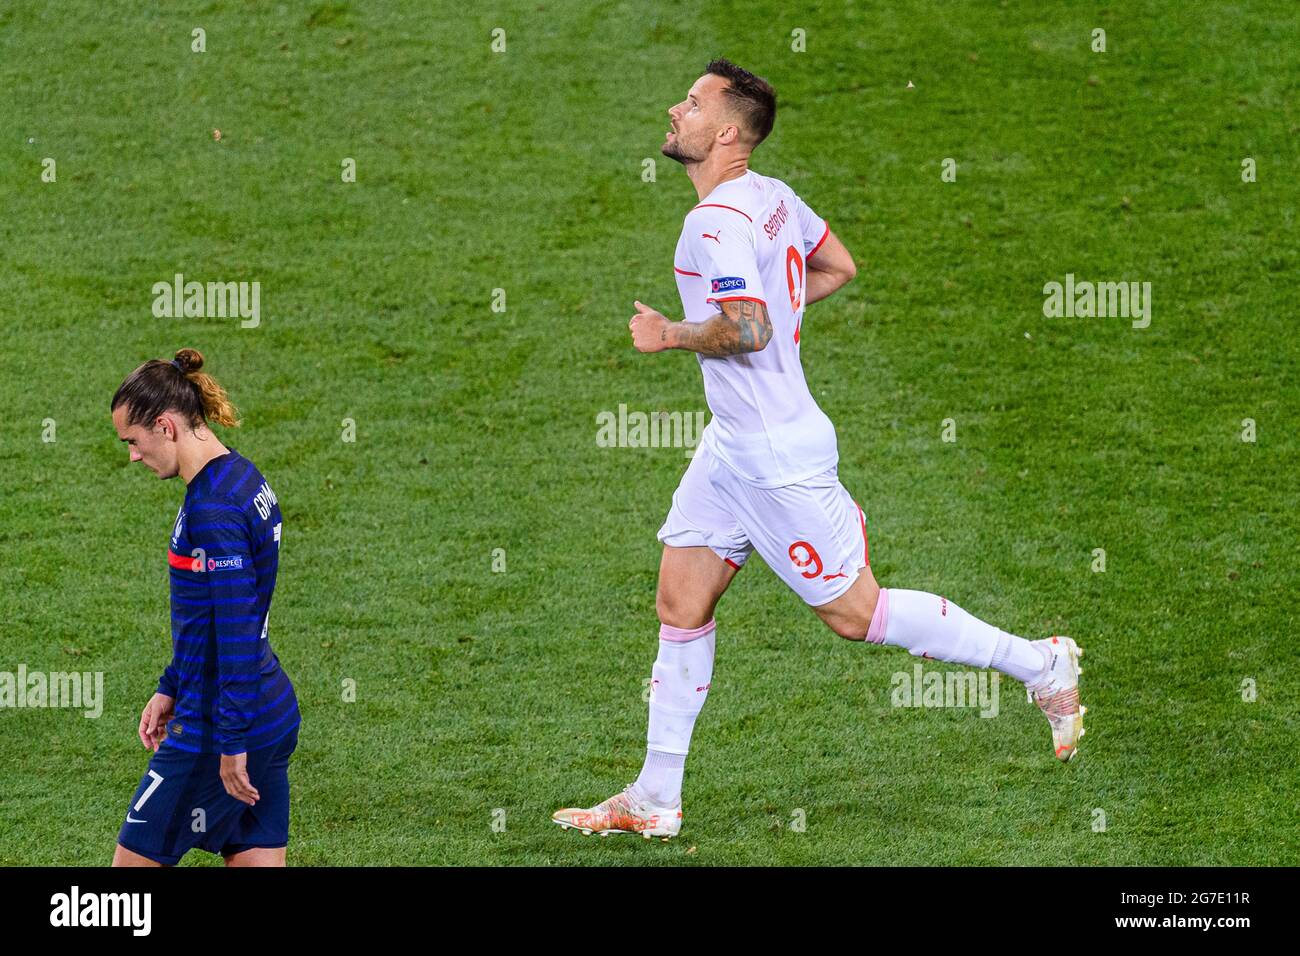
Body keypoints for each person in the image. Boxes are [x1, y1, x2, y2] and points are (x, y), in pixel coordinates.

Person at [553, 60, 1085, 840]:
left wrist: (669, 333)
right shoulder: (772, 199)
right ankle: (655, 797)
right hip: (733, 447)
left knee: (856, 613)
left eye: (693, 103)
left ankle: (1043, 665)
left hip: (776, 461)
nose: (675, 108)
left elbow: (749, 327)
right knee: (680, 599)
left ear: (727, 133)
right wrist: (766, 323)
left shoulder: (714, 223)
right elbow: (836, 266)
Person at [109, 348, 300, 866]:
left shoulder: (213, 509)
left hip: (218, 731)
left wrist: (230, 742)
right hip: (270, 714)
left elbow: (236, 629)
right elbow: (212, 619)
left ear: (166, 426)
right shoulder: (239, 475)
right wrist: (172, 683)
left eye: (133, 441)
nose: (132, 455)